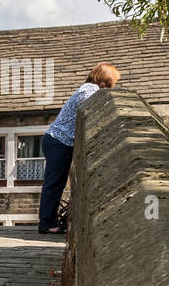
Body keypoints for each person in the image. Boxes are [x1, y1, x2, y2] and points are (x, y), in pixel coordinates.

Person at [38, 62, 121, 233]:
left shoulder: (88, 88)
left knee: (56, 183)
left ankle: (48, 222)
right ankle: (46, 224)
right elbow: (92, 112)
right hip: (59, 142)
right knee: (53, 184)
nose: (114, 85)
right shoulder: (90, 90)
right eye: (114, 81)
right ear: (106, 80)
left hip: (58, 142)